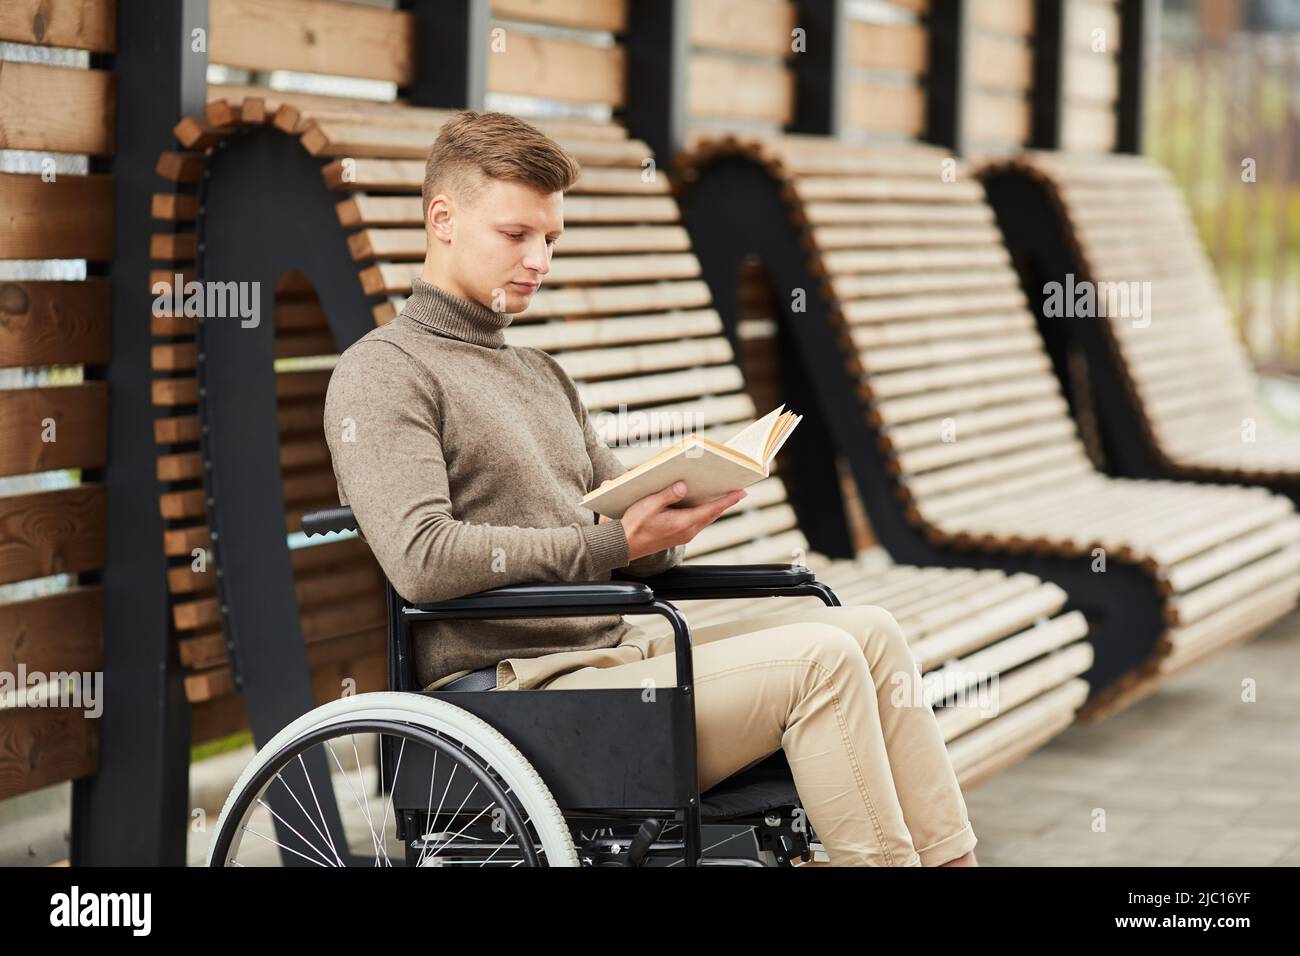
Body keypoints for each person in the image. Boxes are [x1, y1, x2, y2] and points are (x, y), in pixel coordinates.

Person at [323, 110, 977, 867]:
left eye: (551, 239)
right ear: (443, 218)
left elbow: (618, 521)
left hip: (615, 651)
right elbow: (422, 558)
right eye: (516, 235)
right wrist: (611, 543)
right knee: (824, 665)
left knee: (870, 631)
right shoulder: (384, 372)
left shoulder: (539, 375)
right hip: (517, 693)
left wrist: (667, 526)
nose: (538, 259)